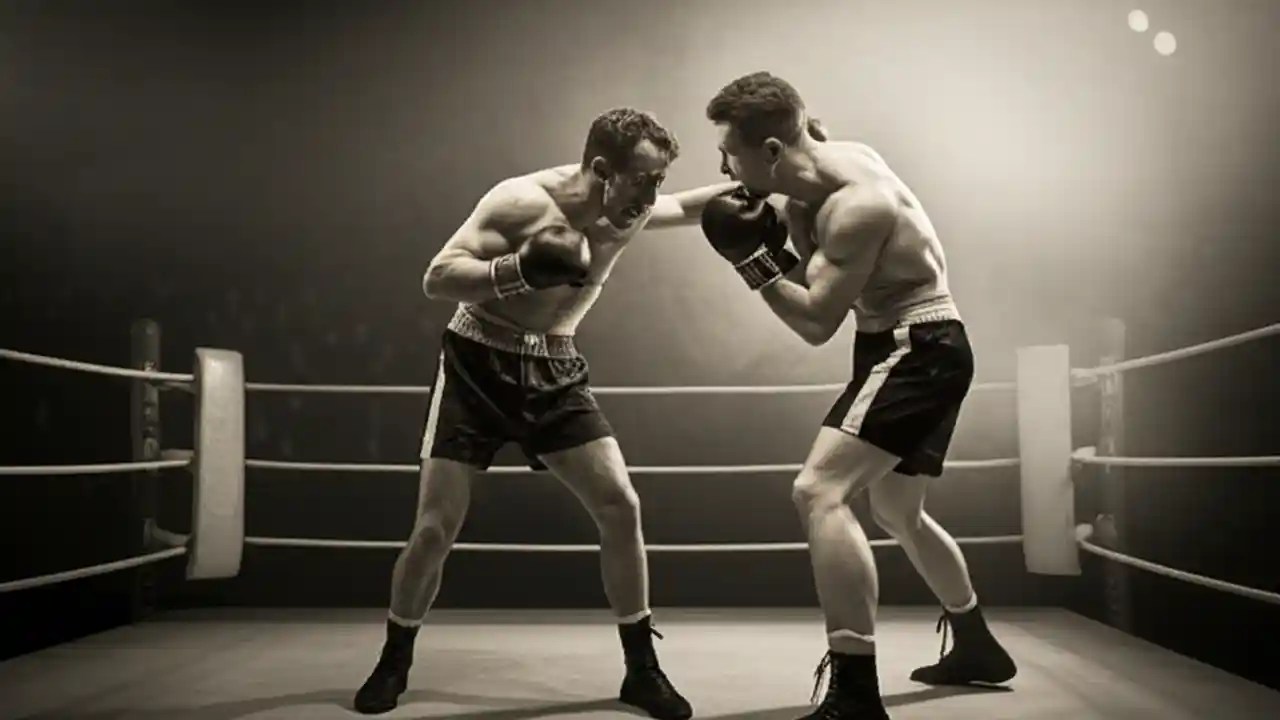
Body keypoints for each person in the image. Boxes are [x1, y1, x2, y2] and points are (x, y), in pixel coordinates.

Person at [352, 107, 736, 717]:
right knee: (434, 529)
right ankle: (393, 660)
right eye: (642, 179)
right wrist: (517, 272)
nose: (650, 193)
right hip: (477, 363)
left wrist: (783, 177)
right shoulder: (520, 202)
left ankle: (642, 669)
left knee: (621, 505)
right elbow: (437, 277)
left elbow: (690, 207)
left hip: (554, 367)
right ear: (602, 169)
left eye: (658, 179)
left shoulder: (631, 207)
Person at [698, 72, 1017, 719]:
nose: (722, 165)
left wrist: (748, 261)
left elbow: (817, 321)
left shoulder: (856, 203)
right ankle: (978, 645)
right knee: (899, 512)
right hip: (907, 346)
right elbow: (709, 208)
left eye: (730, 152)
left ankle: (855, 690)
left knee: (818, 491)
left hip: (916, 348)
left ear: (771, 152)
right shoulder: (810, 176)